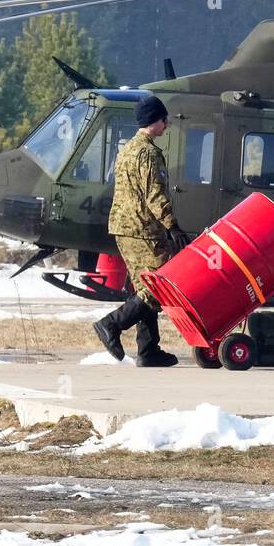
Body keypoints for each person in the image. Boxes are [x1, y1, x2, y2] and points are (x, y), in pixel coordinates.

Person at [93, 94, 190, 366]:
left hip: (125, 227)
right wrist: (173, 226)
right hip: (142, 228)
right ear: (153, 121)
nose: (167, 124)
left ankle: (148, 350)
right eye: (163, 119)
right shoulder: (147, 153)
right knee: (159, 286)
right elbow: (154, 195)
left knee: (144, 286)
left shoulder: (127, 149)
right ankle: (111, 324)